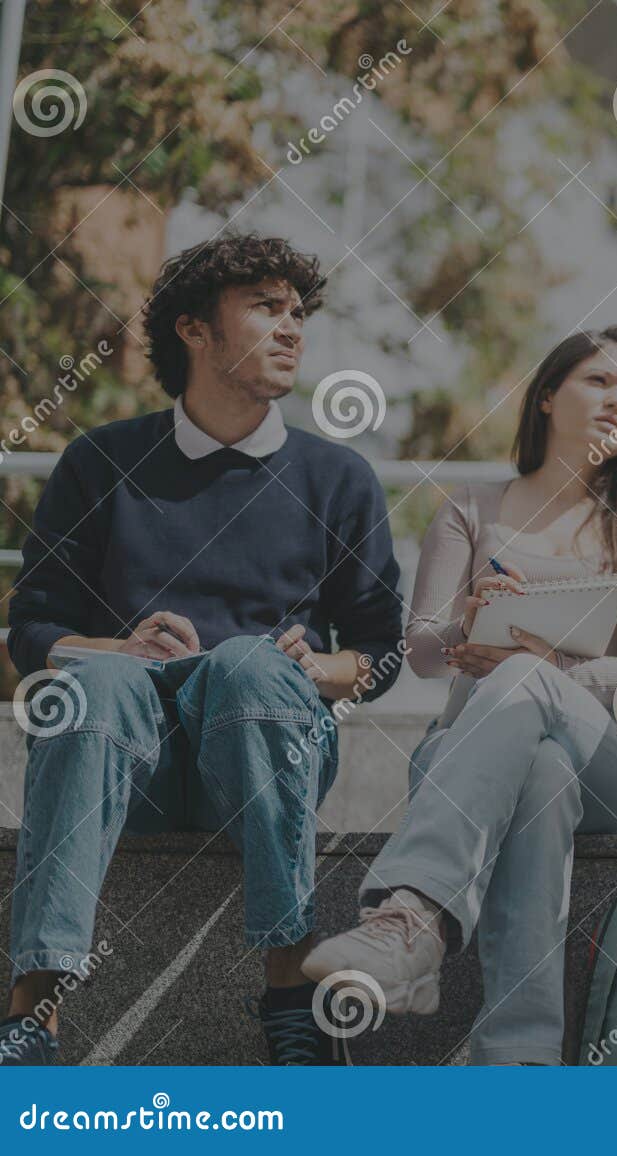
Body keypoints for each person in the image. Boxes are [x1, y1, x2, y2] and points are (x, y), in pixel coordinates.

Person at [1, 234, 405, 1065]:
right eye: (264, 306)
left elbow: (380, 651)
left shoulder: (339, 479)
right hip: (124, 759)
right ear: (193, 330)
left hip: (266, 749)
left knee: (247, 665)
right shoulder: (99, 463)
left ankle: (291, 995)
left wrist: (312, 667)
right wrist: (121, 648)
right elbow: (32, 631)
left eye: (298, 312)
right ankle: (30, 1014)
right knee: (100, 681)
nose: (291, 327)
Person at [303, 326, 617, 1066]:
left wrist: (543, 665)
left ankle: (411, 916)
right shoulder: (471, 509)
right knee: (538, 772)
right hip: (476, 753)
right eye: (599, 382)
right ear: (547, 395)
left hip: (602, 766)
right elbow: (419, 654)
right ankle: (521, 1054)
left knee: (524, 688)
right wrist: (468, 613)